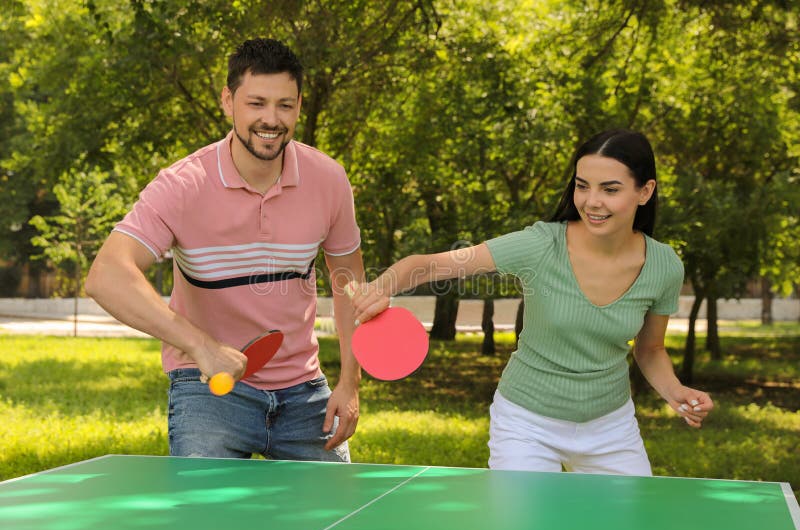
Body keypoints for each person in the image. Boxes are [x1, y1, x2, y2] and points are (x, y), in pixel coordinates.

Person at [349, 129, 713, 475]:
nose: (592, 201)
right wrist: (383, 286)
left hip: (610, 427)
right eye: (582, 186)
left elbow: (650, 350)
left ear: (645, 191)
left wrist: (675, 391)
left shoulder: (664, 266)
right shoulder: (541, 245)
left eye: (610, 189)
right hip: (527, 424)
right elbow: (427, 265)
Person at [86, 38, 364, 461]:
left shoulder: (328, 179)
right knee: (206, 522)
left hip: (305, 393)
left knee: (337, 522)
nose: (271, 119)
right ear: (227, 101)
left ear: (299, 106)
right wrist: (202, 347)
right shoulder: (182, 185)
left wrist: (350, 383)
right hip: (208, 388)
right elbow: (106, 275)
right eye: (256, 103)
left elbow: (349, 284)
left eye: (285, 105)